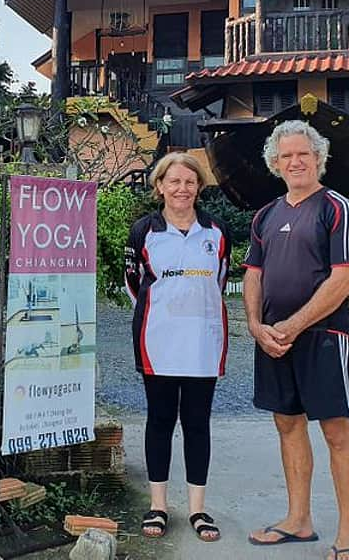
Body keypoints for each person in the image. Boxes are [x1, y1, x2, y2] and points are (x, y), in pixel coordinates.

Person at [243, 121, 349, 560]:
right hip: (273, 339)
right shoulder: (265, 215)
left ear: (319, 158)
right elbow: (253, 276)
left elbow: (344, 279)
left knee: (337, 432)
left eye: (303, 154)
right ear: (274, 164)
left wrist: (292, 326)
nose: (295, 162)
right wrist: (256, 327)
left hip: (323, 338)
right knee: (288, 425)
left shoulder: (338, 208)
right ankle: (298, 520)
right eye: (286, 156)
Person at [124, 152, 231, 543]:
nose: (182, 189)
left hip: (203, 342)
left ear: (199, 187)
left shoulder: (216, 232)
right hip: (158, 341)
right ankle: (158, 506)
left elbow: (218, 281)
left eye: (189, 182)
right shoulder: (143, 231)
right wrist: (166, 311)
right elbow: (135, 283)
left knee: (198, 424)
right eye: (174, 182)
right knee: (160, 421)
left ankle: (198, 509)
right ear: (160, 187)